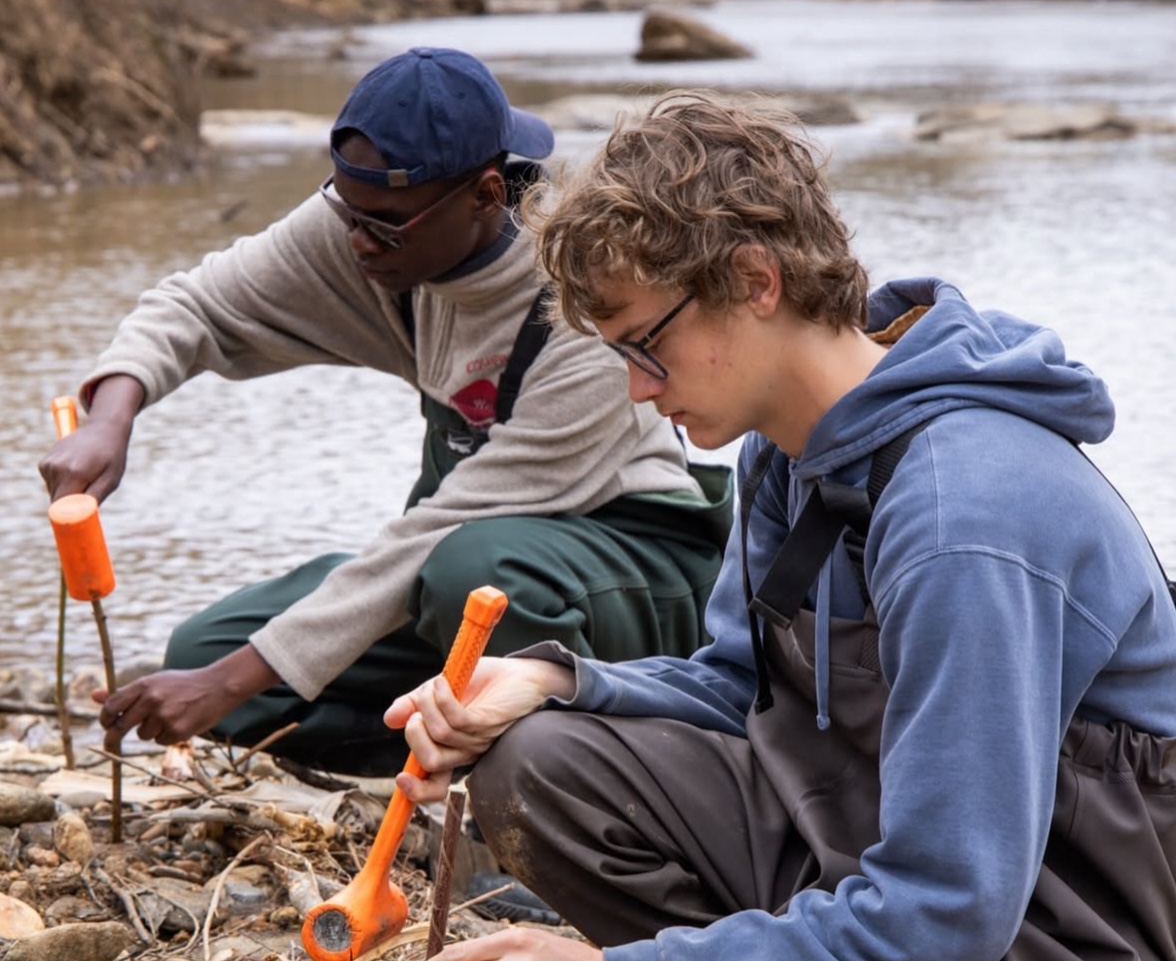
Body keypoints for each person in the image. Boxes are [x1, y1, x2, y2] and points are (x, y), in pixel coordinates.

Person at [388, 93, 1176, 961]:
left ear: (755, 278)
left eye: (648, 346)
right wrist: (555, 676)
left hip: (1062, 934)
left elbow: (951, 906)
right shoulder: (788, 449)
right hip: (895, 857)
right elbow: (733, 688)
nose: (642, 391)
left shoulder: (967, 509)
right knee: (541, 765)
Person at [39, 49, 732, 776]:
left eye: (387, 227)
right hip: (453, 571)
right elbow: (196, 304)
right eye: (347, 213)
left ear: (486, 195)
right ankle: (449, 755)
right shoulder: (378, 231)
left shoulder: (582, 311)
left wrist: (228, 683)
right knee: (205, 654)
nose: (359, 243)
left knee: (474, 573)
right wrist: (112, 415)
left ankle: (559, 785)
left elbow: (442, 526)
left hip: (629, 575)